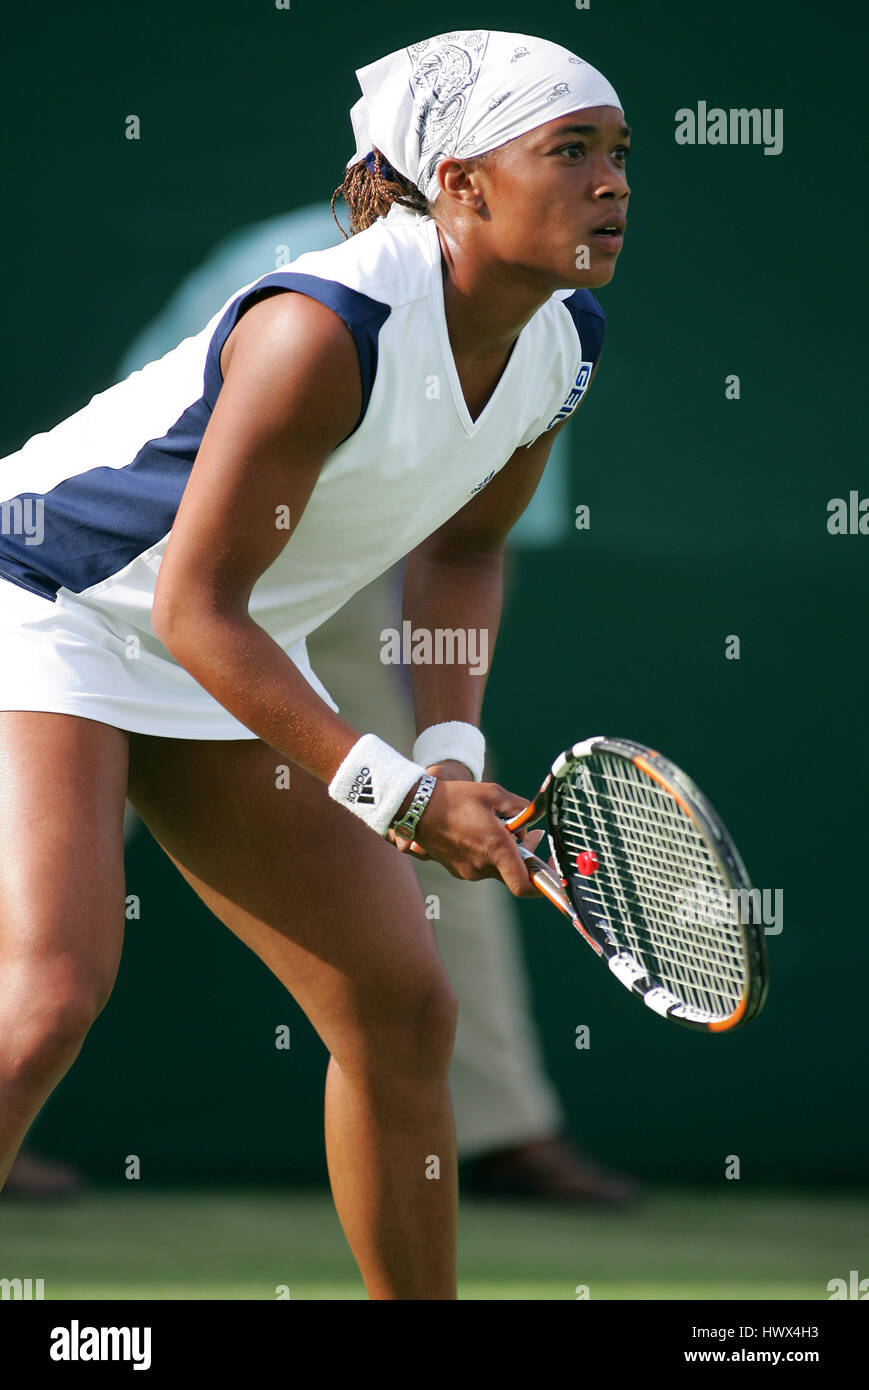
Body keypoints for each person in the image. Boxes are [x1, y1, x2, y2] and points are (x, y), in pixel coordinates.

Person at [0, 30, 630, 1297]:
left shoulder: (562, 342)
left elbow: (461, 551)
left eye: (619, 153)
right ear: (455, 181)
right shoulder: (323, 326)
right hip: (51, 599)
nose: (611, 184)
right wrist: (398, 797)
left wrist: (451, 752)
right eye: (568, 151)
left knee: (403, 1013)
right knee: (51, 990)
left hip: (225, 630)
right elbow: (195, 605)